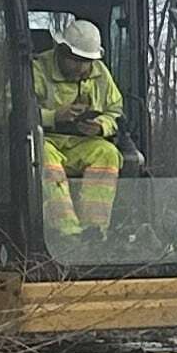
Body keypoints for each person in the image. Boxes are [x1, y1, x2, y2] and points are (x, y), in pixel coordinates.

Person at [33, 16, 124, 241]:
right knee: (41, 153)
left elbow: (115, 111)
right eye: (75, 60)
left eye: (86, 61)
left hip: (80, 143)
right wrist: (55, 116)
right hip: (47, 140)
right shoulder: (38, 69)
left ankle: (94, 231)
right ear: (62, 51)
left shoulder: (100, 74)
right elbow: (9, 112)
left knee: (107, 152)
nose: (81, 67)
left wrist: (100, 126)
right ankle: (67, 232)